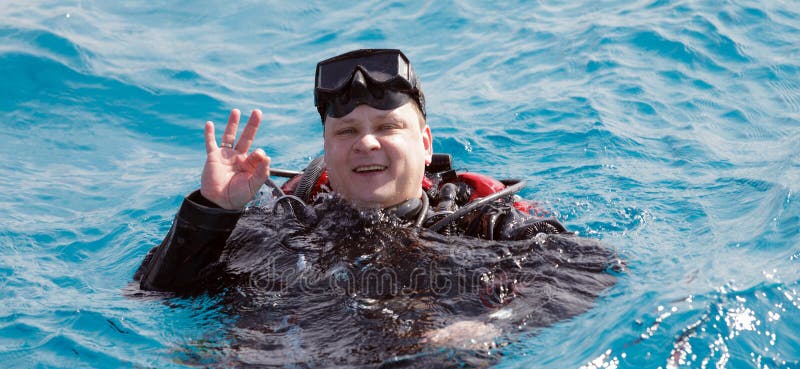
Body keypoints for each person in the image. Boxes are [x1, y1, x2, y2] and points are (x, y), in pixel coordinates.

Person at [135, 49, 567, 292]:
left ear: (425, 144)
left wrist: (494, 323)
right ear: (326, 148)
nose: (366, 142)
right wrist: (213, 211)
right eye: (346, 132)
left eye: (387, 127)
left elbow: (580, 285)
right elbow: (155, 295)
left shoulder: (484, 222)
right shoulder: (285, 220)